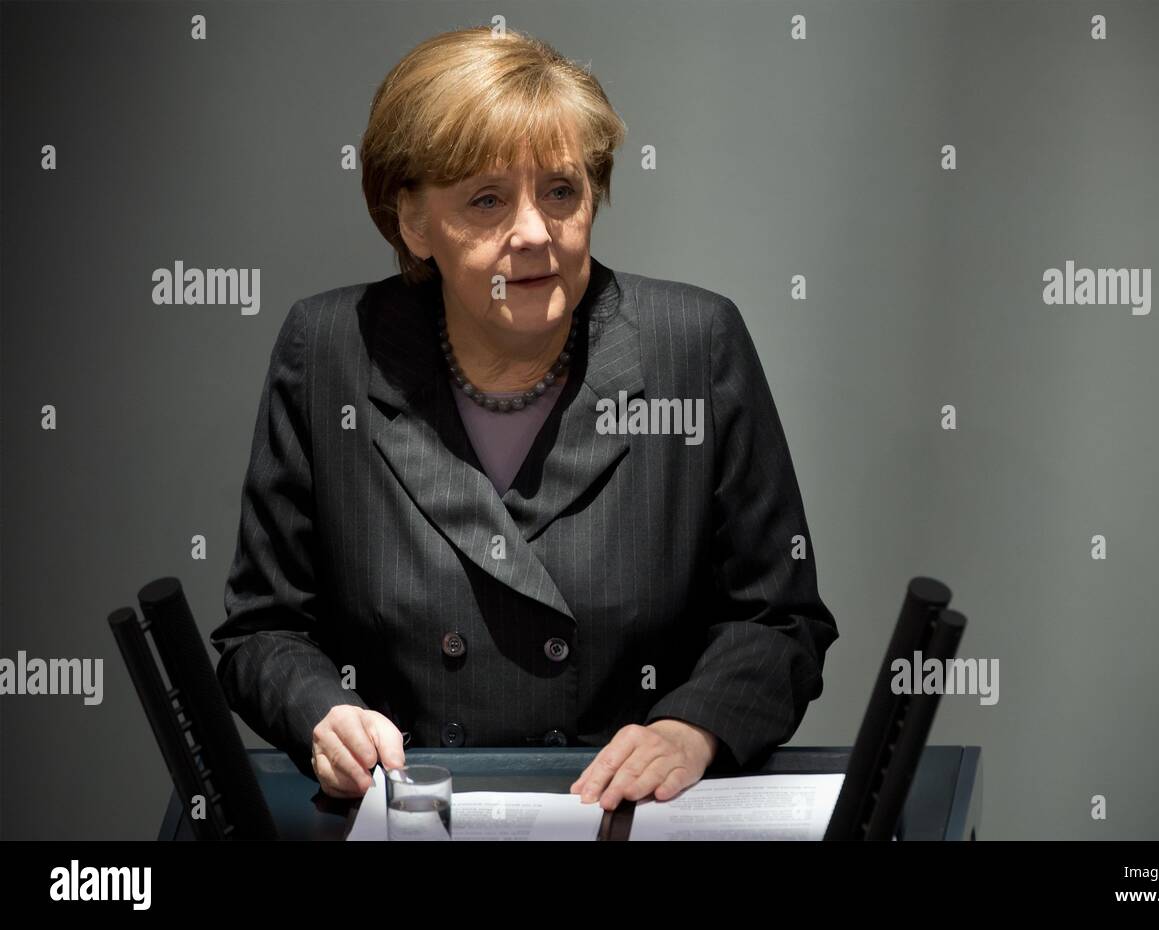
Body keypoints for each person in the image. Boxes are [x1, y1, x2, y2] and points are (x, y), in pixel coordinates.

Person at [210, 26, 838, 813]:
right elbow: (264, 630)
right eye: (486, 199)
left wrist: (691, 727)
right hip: (414, 817)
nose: (536, 231)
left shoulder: (694, 345)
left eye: (561, 191)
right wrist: (322, 715)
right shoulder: (331, 350)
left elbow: (779, 620)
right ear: (412, 221)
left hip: (624, 816)